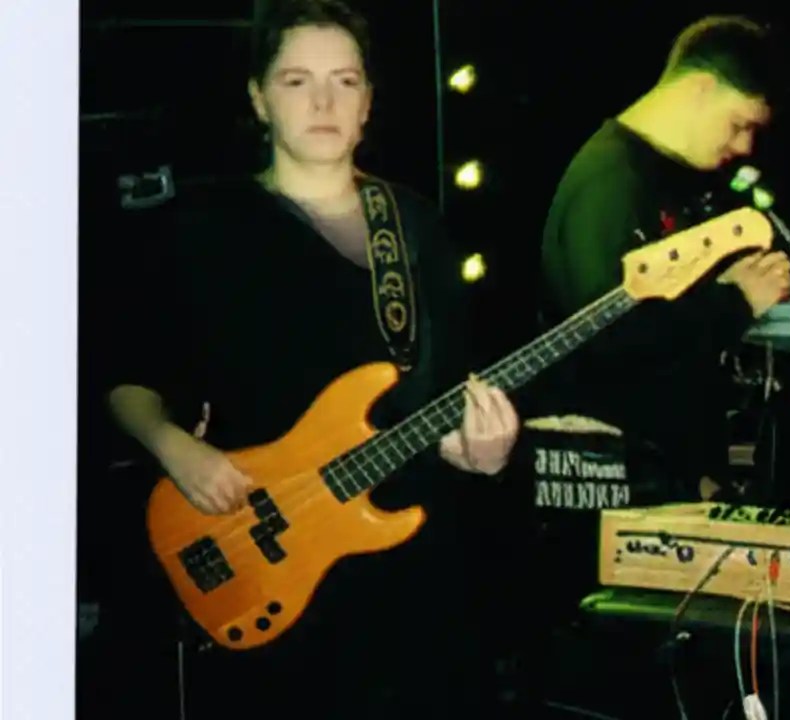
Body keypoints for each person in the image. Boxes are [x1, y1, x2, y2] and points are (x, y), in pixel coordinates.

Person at [102, 2, 518, 718]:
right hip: (268, 567)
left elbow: (445, 390)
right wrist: (175, 450)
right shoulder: (203, 229)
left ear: (368, 104)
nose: (324, 102)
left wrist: (482, 452)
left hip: (417, 583)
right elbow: (126, 382)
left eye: (345, 81)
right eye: (297, 81)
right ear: (260, 99)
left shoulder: (416, 225)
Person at [537, 15, 790, 505]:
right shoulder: (609, 184)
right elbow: (608, 339)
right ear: (700, 88)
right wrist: (734, 303)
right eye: (739, 124)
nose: (744, 146)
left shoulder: (660, 174)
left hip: (664, 473)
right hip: (623, 484)